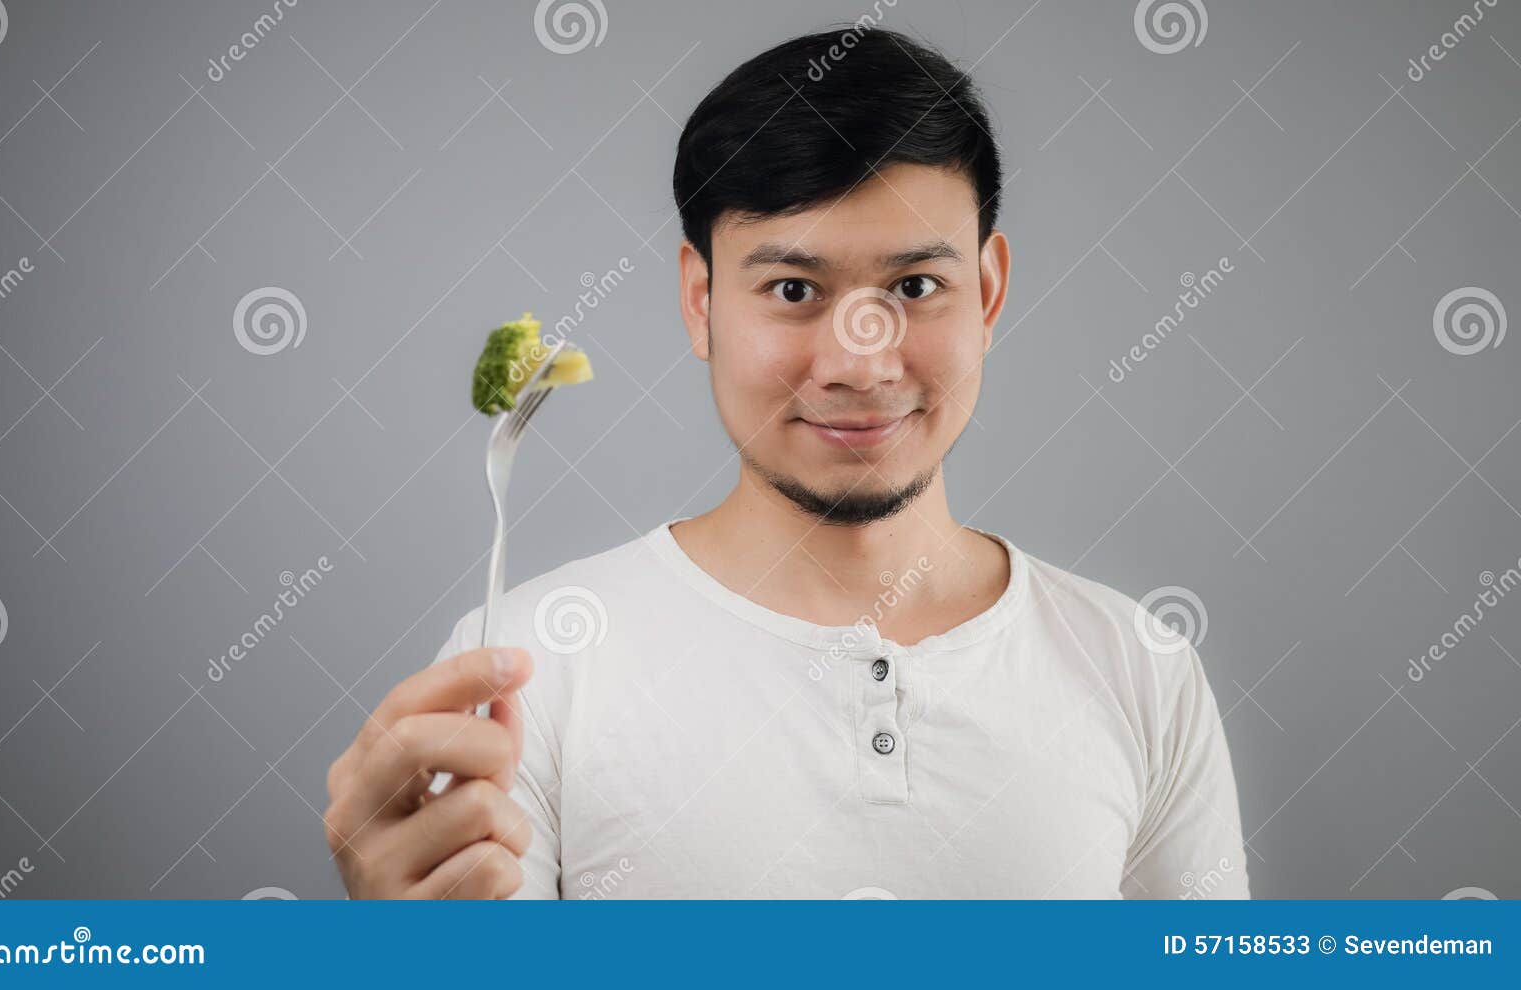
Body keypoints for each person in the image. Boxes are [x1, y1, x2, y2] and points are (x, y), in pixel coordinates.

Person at [322, 27, 1249, 899]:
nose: (860, 362)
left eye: (916, 287)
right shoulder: (534, 672)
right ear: (701, 302)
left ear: (990, 292)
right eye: (794, 290)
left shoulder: (1139, 668)